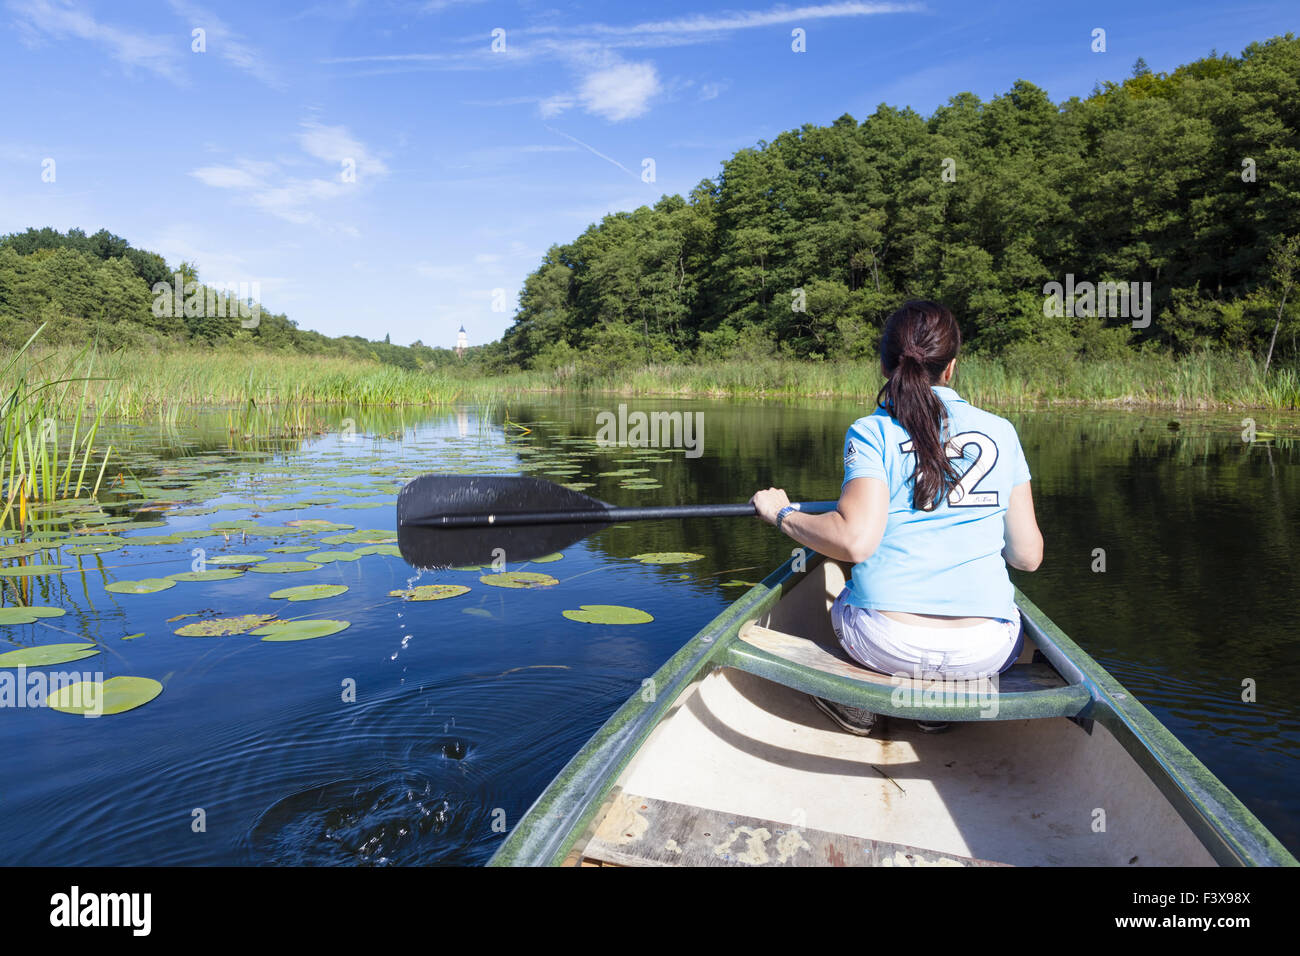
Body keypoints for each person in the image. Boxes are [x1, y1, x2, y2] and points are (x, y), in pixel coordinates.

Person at [750, 300, 1044, 735]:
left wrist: (782, 513)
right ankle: (934, 709)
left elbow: (853, 541)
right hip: (983, 651)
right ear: (951, 368)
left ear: (886, 366)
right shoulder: (1002, 430)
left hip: (888, 643)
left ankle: (858, 702)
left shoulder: (872, 430)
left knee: (841, 590)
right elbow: (1026, 556)